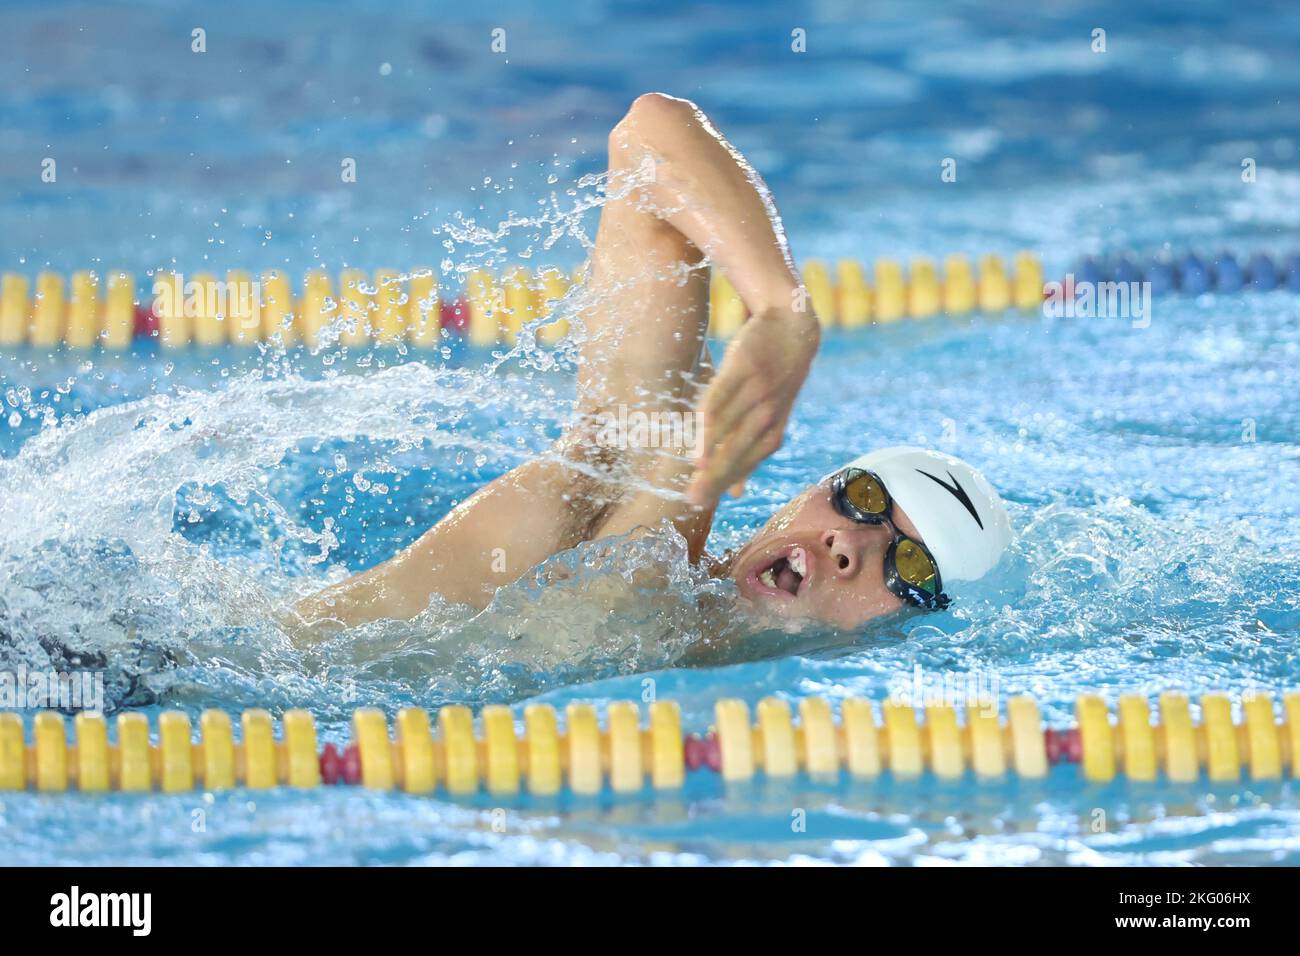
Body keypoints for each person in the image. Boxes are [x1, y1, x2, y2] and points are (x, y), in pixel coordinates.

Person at [294, 93, 1012, 633]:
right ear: (809, 493)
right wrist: (781, 311)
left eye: (907, 567)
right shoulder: (635, 473)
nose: (849, 541)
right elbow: (646, 135)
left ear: (911, 628)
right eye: (862, 498)